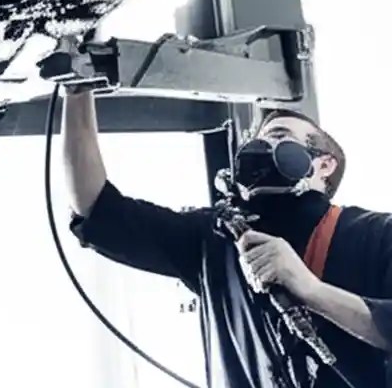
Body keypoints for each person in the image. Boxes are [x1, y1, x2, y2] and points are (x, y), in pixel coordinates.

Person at [62, 86, 392, 387]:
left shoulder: (377, 235)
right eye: (255, 140)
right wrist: (77, 92)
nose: (260, 146)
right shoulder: (215, 241)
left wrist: (311, 290)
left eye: (277, 135)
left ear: (324, 165)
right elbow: (97, 209)